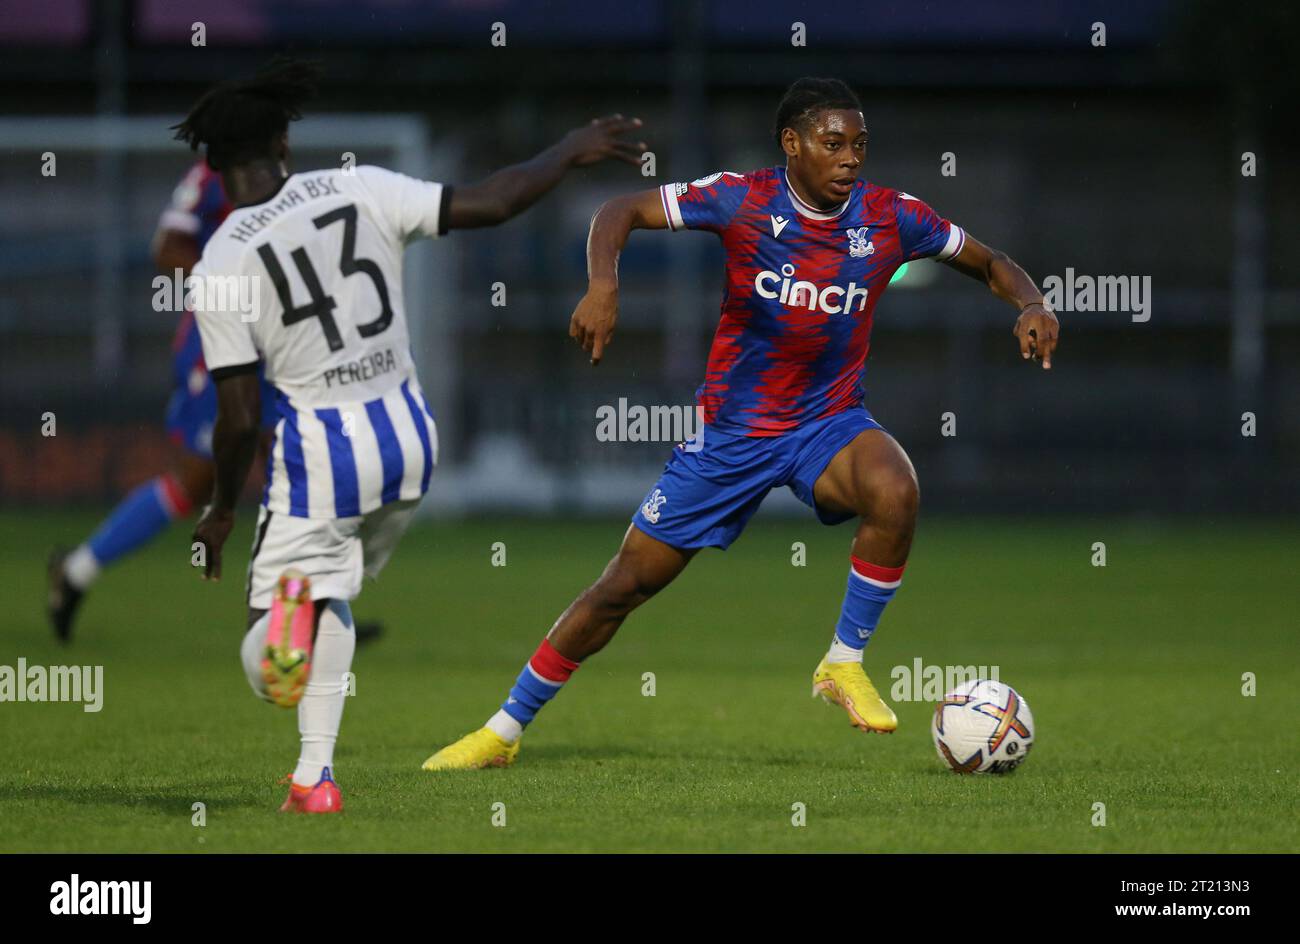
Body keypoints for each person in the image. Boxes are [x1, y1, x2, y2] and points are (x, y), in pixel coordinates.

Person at [423, 76, 1059, 771]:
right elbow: (619, 210)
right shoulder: (743, 198)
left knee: (895, 488)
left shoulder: (891, 216)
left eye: (859, 145)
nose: (850, 158)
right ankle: (502, 731)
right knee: (622, 588)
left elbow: (990, 262)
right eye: (833, 143)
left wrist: (1031, 302)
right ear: (791, 144)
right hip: (733, 435)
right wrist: (604, 287)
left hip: (829, 423)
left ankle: (843, 662)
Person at [179, 58, 646, 812]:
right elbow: (493, 202)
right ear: (283, 143)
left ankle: (291, 634)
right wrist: (566, 150)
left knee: (271, 644)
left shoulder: (222, 262)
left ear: (210, 165)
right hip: (407, 438)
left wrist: (222, 508)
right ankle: (313, 780)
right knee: (332, 594)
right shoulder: (357, 185)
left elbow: (238, 418)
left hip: (322, 450)